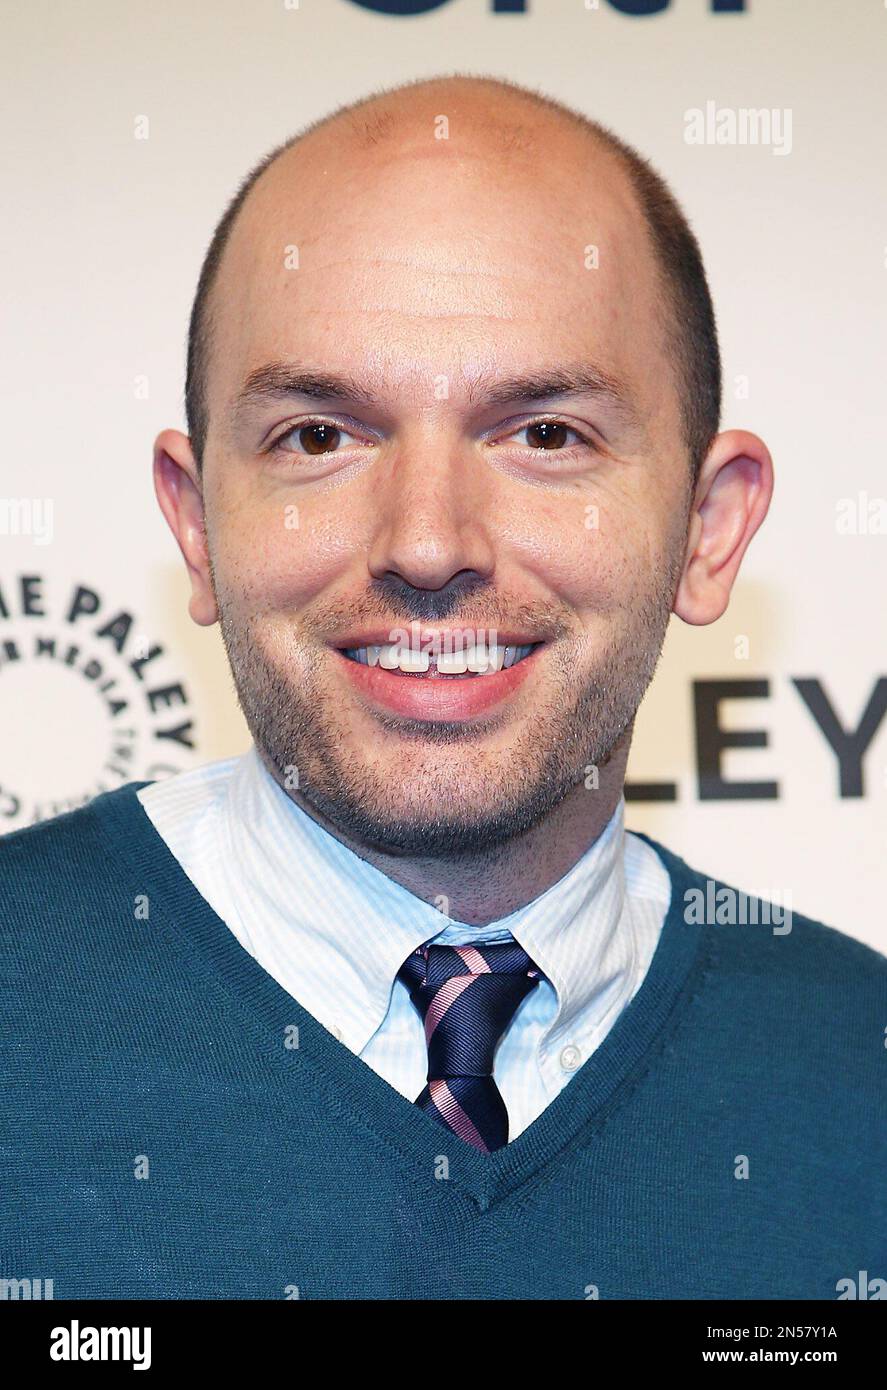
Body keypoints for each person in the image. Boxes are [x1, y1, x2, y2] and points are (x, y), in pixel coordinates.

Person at [3, 74, 884, 1302]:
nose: (426, 541)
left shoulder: (862, 1075)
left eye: (543, 434)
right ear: (196, 525)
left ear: (706, 529)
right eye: (319, 435)